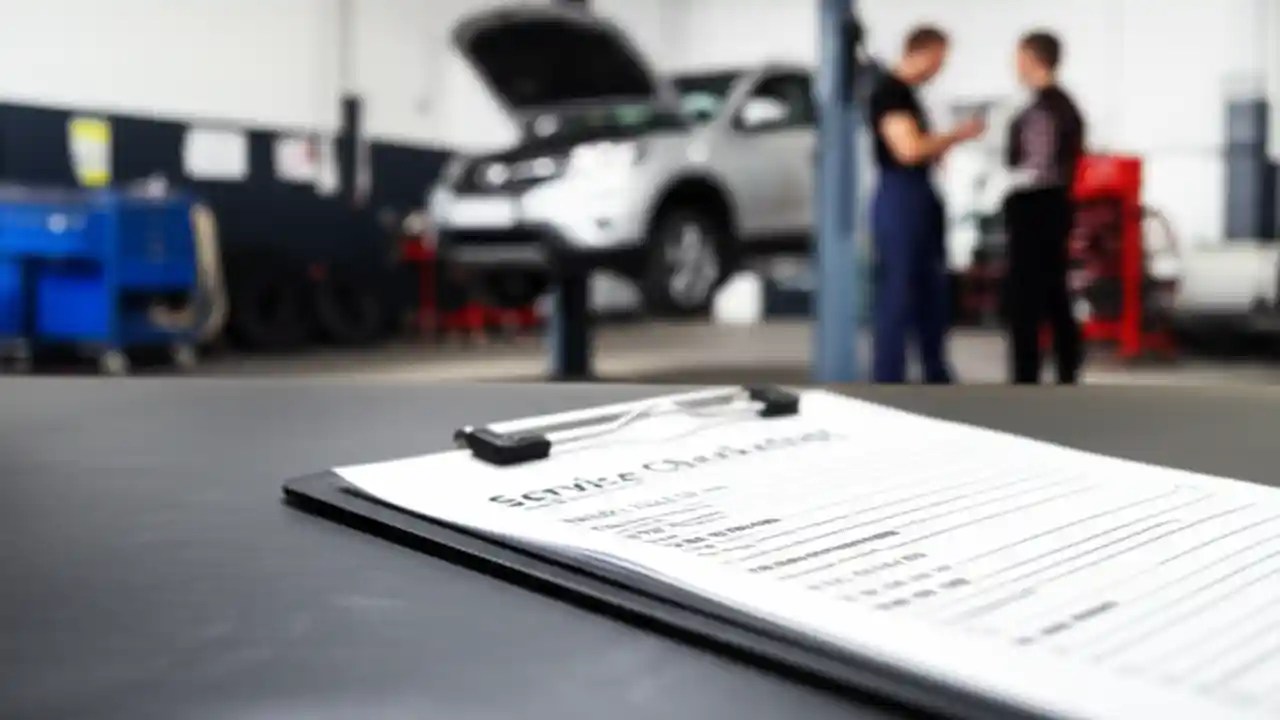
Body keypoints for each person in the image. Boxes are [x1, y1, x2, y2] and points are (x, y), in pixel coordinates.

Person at [869, 26, 984, 384]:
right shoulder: (890, 93)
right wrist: (956, 135)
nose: (940, 68)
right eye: (940, 59)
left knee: (931, 292)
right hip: (900, 199)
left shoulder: (911, 96)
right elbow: (909, 150)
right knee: (899, 293)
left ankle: (937, 376)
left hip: (920, 195)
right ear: (924, 52)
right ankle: (889, 382)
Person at [1003, 30, 1086, 384]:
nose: (1014, 65)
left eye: (1018, 58)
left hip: (1035, 208)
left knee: (1026, 301)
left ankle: (1026, 381)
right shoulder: (1065, 106)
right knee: (1054, 295)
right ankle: (1067, 374)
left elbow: (1036, 167)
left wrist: (1002, 184)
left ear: (1033, 60)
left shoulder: (1042, 111)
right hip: (1056, 207)